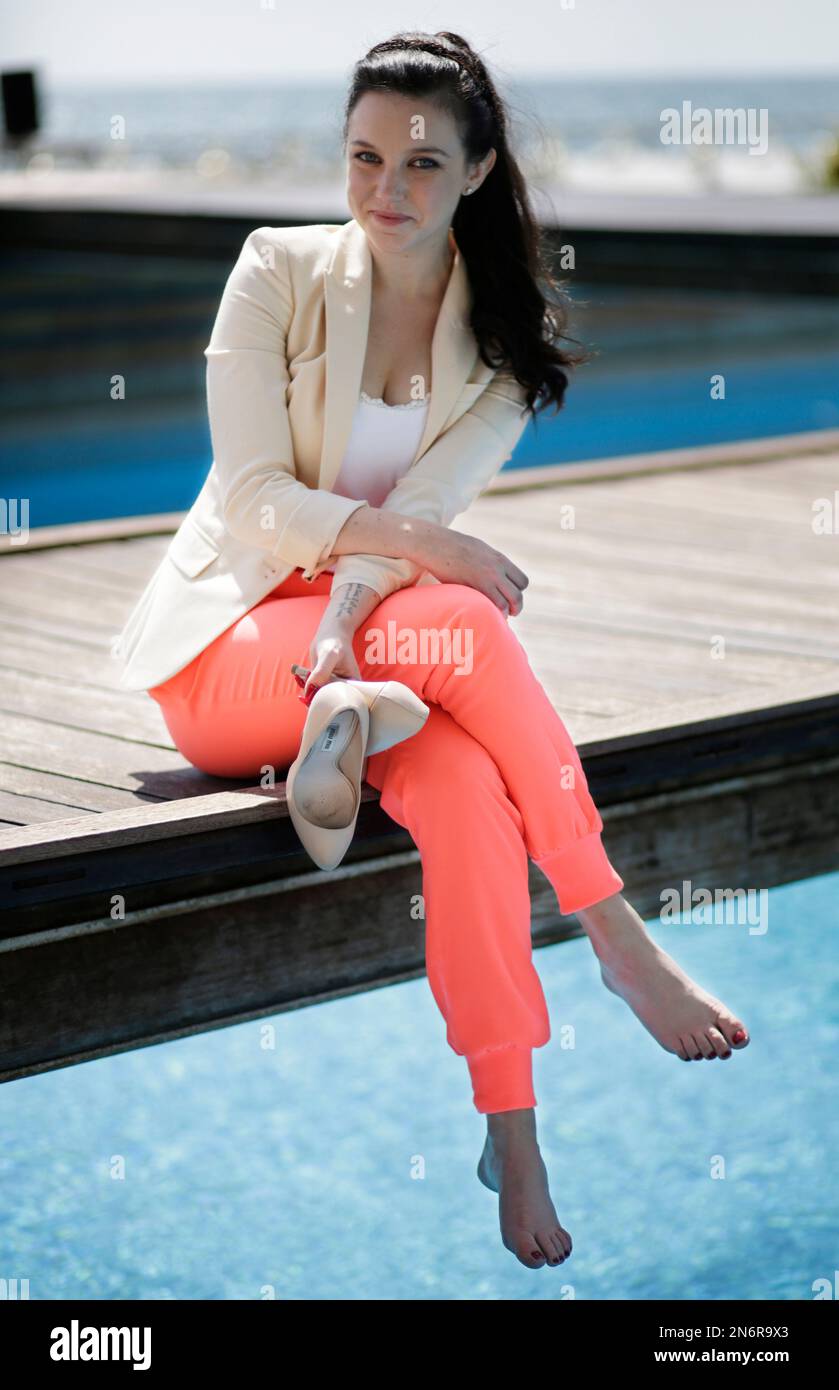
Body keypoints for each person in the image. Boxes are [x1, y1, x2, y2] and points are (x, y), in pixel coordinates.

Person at [110, 30, 751, 1271]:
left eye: (418, 162)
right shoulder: (276, 270)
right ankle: (614, 932)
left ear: (476, 170)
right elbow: (253, 499)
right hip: (228, 655)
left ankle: (511, 1126)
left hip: (361, 643)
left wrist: (357, 603)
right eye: (363, 157)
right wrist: (407, 552)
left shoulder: (498, 345)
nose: (384, 189)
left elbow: (421, 517)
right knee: (461, 618)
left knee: (462, 785)